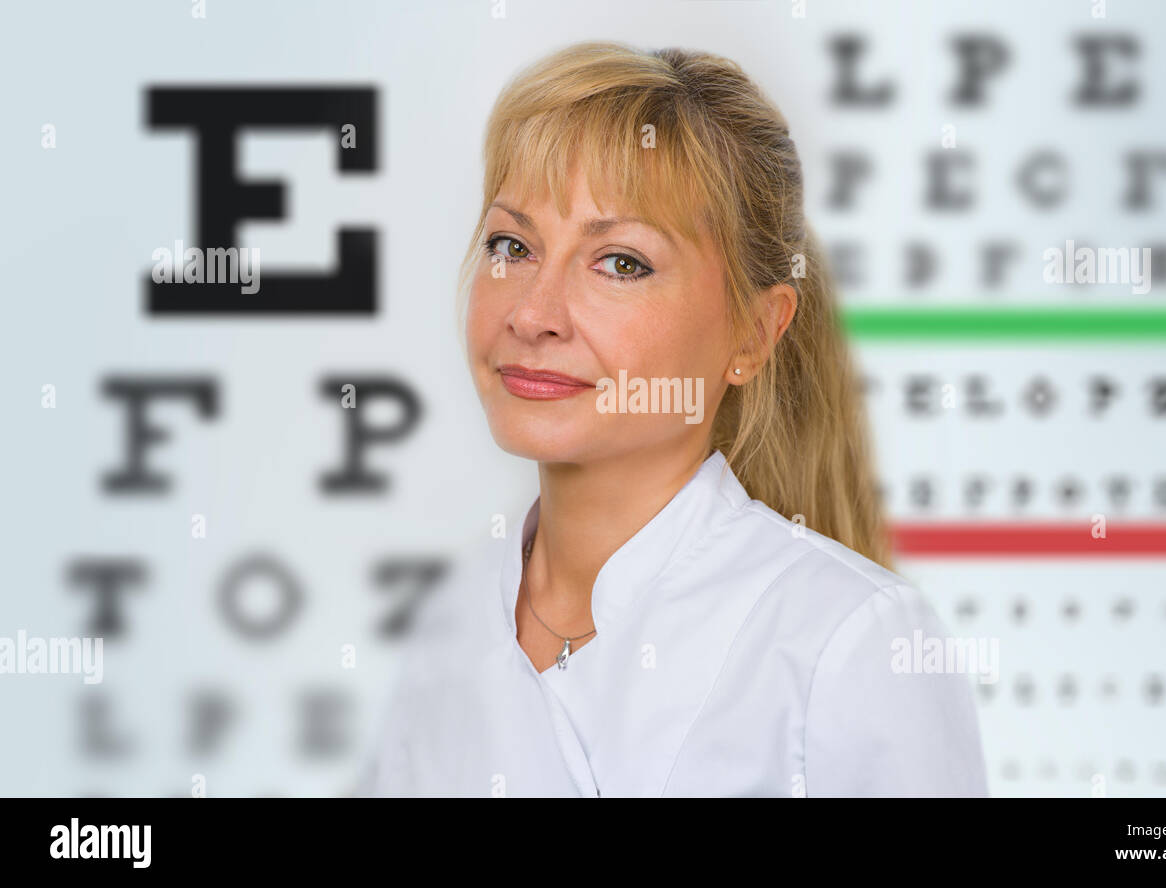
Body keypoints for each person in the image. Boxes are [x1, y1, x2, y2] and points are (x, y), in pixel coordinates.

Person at [357, 41, 987, 797]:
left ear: (754, 333)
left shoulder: (852, 644)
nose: (532, 314)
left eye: (621, 262)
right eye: (512, 245)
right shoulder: (454, 620)